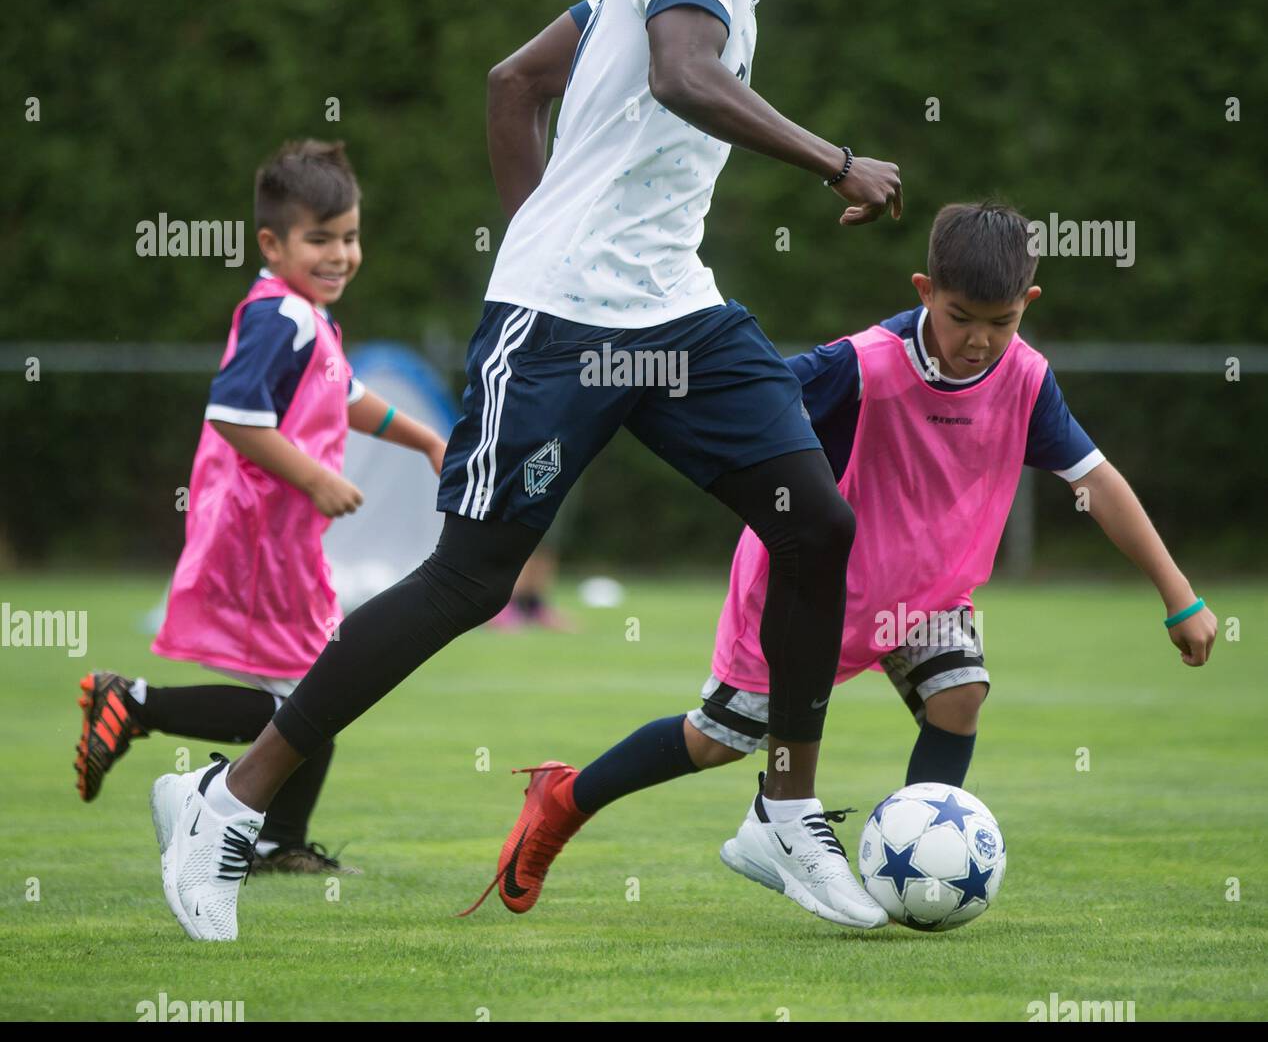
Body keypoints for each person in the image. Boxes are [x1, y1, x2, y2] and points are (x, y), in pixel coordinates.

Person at [151, 0, 905, 941]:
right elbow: (679, 74)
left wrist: (538, 230)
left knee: (815, 522)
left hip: (673, 316)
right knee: (469, 579)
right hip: (561, 327)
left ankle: (784, 812)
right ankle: (226, 801)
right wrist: (835, 161)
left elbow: (515, 82)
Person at [477, 203, 1218, 919]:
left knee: (959, 697)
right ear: (925, 292)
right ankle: (564, 800)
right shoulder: (859, 366)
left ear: (1028, 302)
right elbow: (749, 401)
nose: (979, 341)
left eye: (1003, 322)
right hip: (808, 592)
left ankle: (919, 865)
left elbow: (1096, 480)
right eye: (961, 317)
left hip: (926, 595)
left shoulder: (1026, 380)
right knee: (714, 743)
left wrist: (1179, 597)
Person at [79, 140, 446, 876]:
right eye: (321, 239)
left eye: (349, 237)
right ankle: (133, 703)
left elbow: (344, 399)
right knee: (311, 695)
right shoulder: (279, 317)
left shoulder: (310, 319)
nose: (341, 254)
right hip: (255, 535)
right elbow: (235, 417)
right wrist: (313, 478)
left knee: (320, 686)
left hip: (284, 540)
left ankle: (276, 841)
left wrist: (426, 440)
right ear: (272, 243)